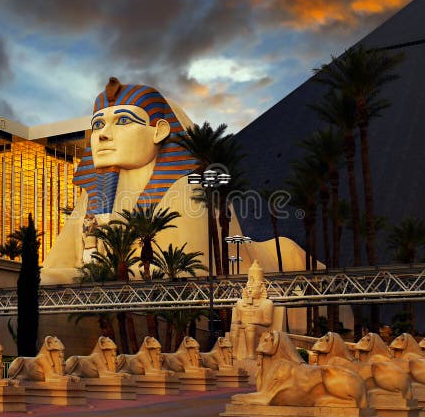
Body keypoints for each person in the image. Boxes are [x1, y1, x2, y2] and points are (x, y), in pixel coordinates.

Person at [42, 78, 202, 283]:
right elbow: (55, 267)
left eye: (123, 120)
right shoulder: (91, 197)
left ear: (160, 131)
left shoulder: (186, 186)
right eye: (98, 124)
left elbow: (180, 272)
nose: (103, 135)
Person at [230, 260, 274, 360]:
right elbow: (238, 319)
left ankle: (250, 354)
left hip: (261, 329)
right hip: (246, 326)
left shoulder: (266, 303)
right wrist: (237, 322)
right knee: (234, 328)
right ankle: (233, 354)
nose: (249, 290)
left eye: (253, 288)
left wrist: (251, 322)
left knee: (250, 327)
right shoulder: (240, 303)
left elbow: (267, 322)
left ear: (261, 289)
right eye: (248, 288)